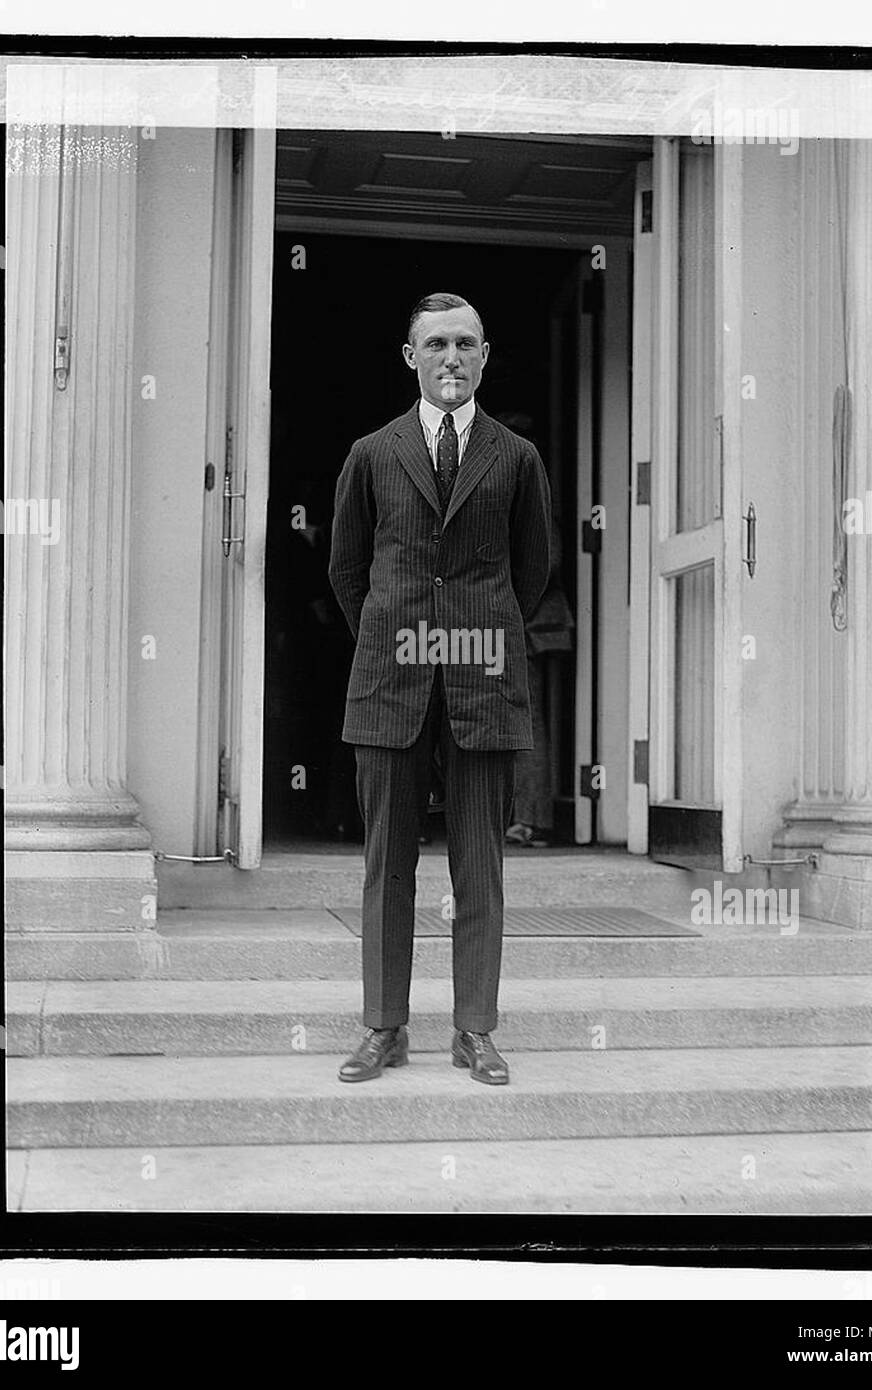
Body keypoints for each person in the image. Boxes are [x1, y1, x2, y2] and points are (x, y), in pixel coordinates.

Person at [328, 293, 552, 1085]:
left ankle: (475, 1031)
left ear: (485, 356)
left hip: (483, 684)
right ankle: (383, 1029)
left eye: (465, 344)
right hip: (391, 683)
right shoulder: (371, 452)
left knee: (479, 866)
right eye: (435, 345)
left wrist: (474, 639)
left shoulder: (516, 457)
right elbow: (346, 570)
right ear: (410, 356)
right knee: (387, 864)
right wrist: (400, 642)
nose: (451, 358)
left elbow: (531, 574)